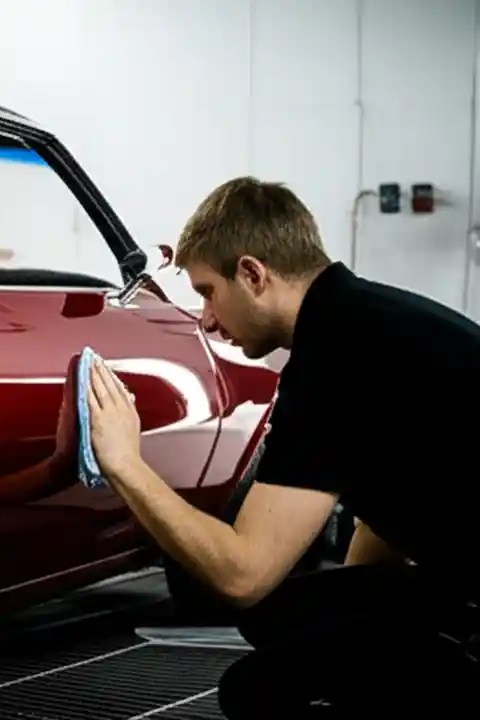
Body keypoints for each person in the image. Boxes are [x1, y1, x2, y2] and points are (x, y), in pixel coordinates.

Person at [85, 176, 480, 717]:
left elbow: (242, 576)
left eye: (207, 292)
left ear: (252, 274)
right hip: (459, 581)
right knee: (286, 618)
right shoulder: (372, 320)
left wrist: (126, 464)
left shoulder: (334, 360)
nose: (206, 318)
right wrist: (350, 621)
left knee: (254, 689)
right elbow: (384, 512)